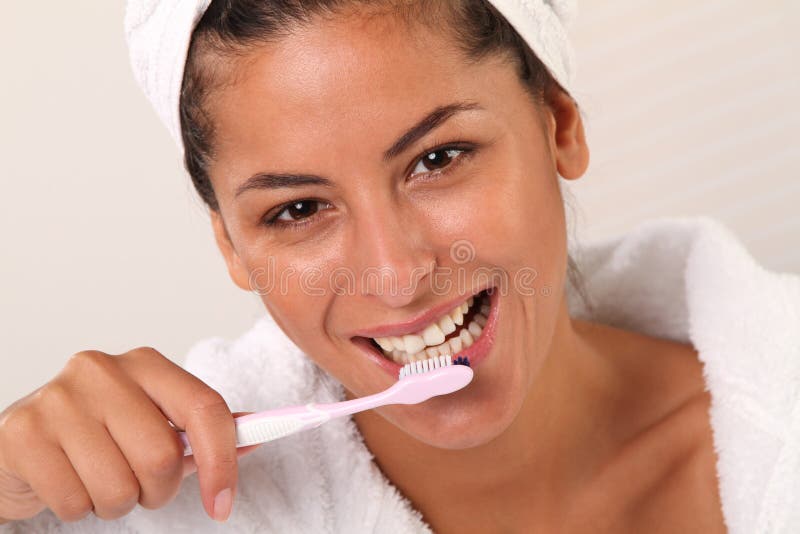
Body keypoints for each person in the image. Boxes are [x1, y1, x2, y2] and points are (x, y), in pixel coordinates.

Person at [2, 0, 798, 532]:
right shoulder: (163, 504)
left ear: (559, 125)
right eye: (298, 210)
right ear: (231, 247)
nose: (394, 275)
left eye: (439, 158)